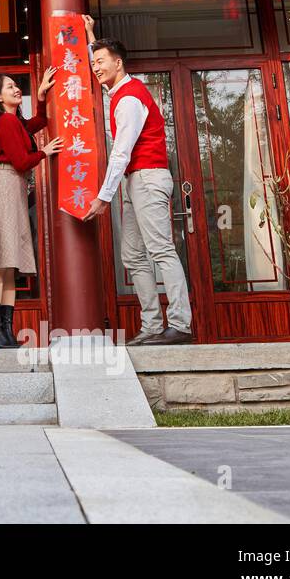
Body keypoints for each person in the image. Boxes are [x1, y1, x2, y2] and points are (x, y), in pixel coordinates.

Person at [81, 17, 193, 345]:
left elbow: (121, 152)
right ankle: (153, 326)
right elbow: (100, 53)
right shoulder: (119, 91)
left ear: (118, 63)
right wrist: (91, 36)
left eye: (100, 62)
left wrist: (103, 197)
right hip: (135, 183)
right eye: (93, 62)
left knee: (161, 250)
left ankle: (181, 325)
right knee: (132, 255)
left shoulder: (129, 98)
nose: (95, 67)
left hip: (146, 178)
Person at [0, 70, 63, 348]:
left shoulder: (14, 122)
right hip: (6, 186)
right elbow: (22, 161)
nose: (16, 90)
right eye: (10, 87)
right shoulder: (6, 122)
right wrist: (44, 153)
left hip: (13, 188)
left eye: (16, 86)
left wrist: (39, 97)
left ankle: (6, 332)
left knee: (9, 264)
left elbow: (40, 121)